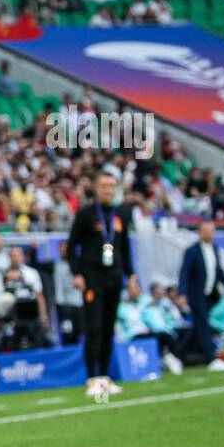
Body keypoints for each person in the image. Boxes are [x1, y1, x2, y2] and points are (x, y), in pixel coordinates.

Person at [68, 170, 136, 398]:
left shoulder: (122, 214)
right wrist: (77, 273)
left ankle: (105, 378)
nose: (108, 190)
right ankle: (92, 379)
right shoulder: (86, 214)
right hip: (92, 279)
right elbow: (71, 248)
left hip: (114, 278)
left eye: (112, 185)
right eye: (104, 185)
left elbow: (125, 249)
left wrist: (132, 277)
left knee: (108, 329)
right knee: (94, 329)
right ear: (96, 188)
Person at [177, 220, 224, 371]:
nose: (209, 233)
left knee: (198, 327)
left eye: (211, 230)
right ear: (200, 232)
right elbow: (184, 273)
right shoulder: (192, 251)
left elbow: (218, 271)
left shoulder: (214, 248)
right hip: (196, 295)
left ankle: (175, 356)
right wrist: (182, 294)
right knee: (203, 326)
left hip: (210, 295)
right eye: (206, 230)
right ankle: (211, 358)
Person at [52, 239, 83, 345]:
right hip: (63, 306)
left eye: (66, 247)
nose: (64, 250)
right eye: (61, 248)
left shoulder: (79, 264)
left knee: (79, 333)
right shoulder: (55, 265)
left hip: (78, 305)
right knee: (67, 334)